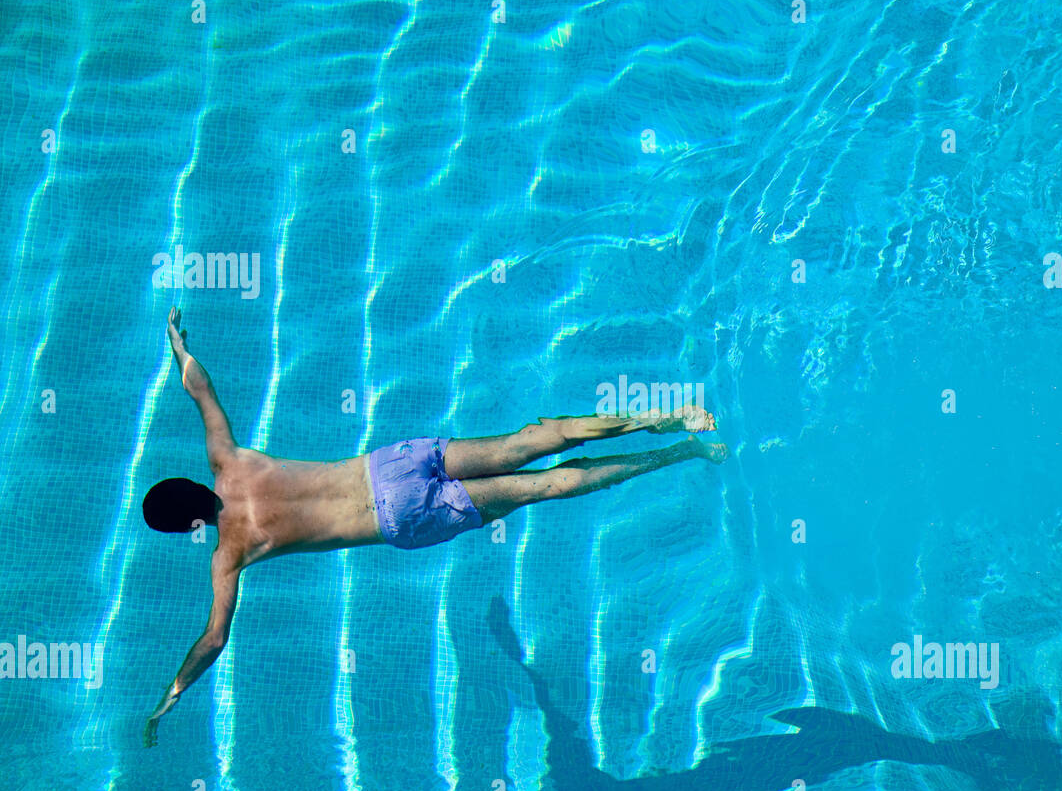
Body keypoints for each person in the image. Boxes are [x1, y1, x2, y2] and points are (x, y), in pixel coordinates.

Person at [142, 308, 726, 745]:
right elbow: (201, 388)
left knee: (546, 486)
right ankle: (667, 417)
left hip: (398, 517)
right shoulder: (228, 460)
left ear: (186, 525)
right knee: (525, 442)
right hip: (390, 464)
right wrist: (177, 345)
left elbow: (215, 638)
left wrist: (170, 697)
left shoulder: (230, 552)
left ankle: (678, 456)